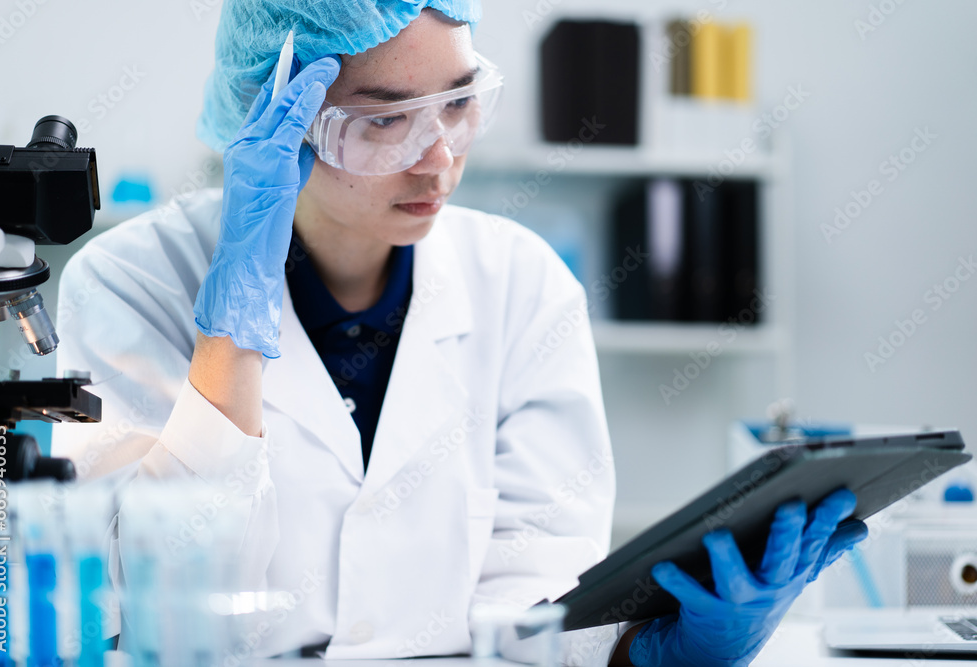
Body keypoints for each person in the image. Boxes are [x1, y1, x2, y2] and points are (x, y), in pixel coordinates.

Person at [52, 1, 867, 665]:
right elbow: (147, 604)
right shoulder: (132, 282)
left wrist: (656, 653)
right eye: (384, 122)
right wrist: (229, 338)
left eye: (459, 102)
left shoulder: (523, 283)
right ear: (278, 121)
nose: (437, 159)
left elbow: (536, 599)